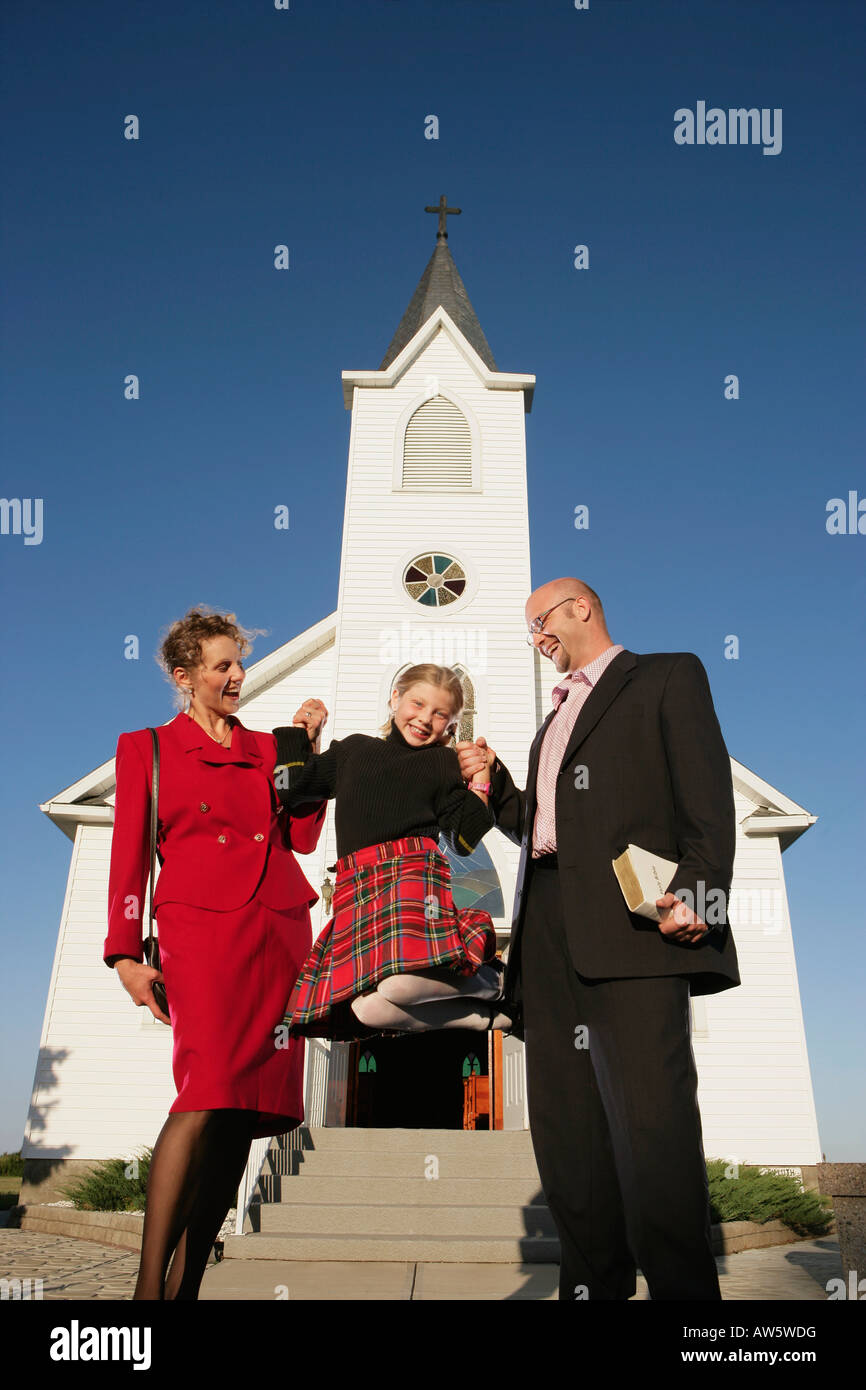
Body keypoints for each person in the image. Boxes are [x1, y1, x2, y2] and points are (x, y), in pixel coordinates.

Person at [456, 578, 740, 1301]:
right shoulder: (549, 726)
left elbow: (707, 796)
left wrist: (703, 892)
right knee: (568, 1133)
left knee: (655, 1121)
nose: (537, 638)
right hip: (546, 930)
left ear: (583, 607)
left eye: (542, 621)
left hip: (635, 928)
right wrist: (496, 788)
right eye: (530, 631)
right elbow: (541, 828)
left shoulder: (667, 676)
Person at [104, 606, 327, 1300]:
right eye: (222, 666)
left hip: (278, 927)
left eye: (239, 664)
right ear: (184, 675)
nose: (236, 676)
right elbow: (129, 856)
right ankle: (147, 1297)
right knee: (204, 1089)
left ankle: (187, 1286)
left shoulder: (266, 748)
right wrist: (124, 956)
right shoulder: (149, 747)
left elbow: (304, 835)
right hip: (199, 932)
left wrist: (305, 750)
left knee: (242, 1107)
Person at [273, 663, 512, 1039]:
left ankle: (494, 983)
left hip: (411, 879)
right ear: (395, 698)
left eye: (440, 715)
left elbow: (464, 839)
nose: (424, 719)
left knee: (400, 986)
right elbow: (290, 787)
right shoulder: (353, 750)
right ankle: (487, 1013)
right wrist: (300, 734)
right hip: (357, 886)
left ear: (450, 727)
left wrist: (480, 782)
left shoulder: (442, 763)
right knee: (368, 1008)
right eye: (417, 703)